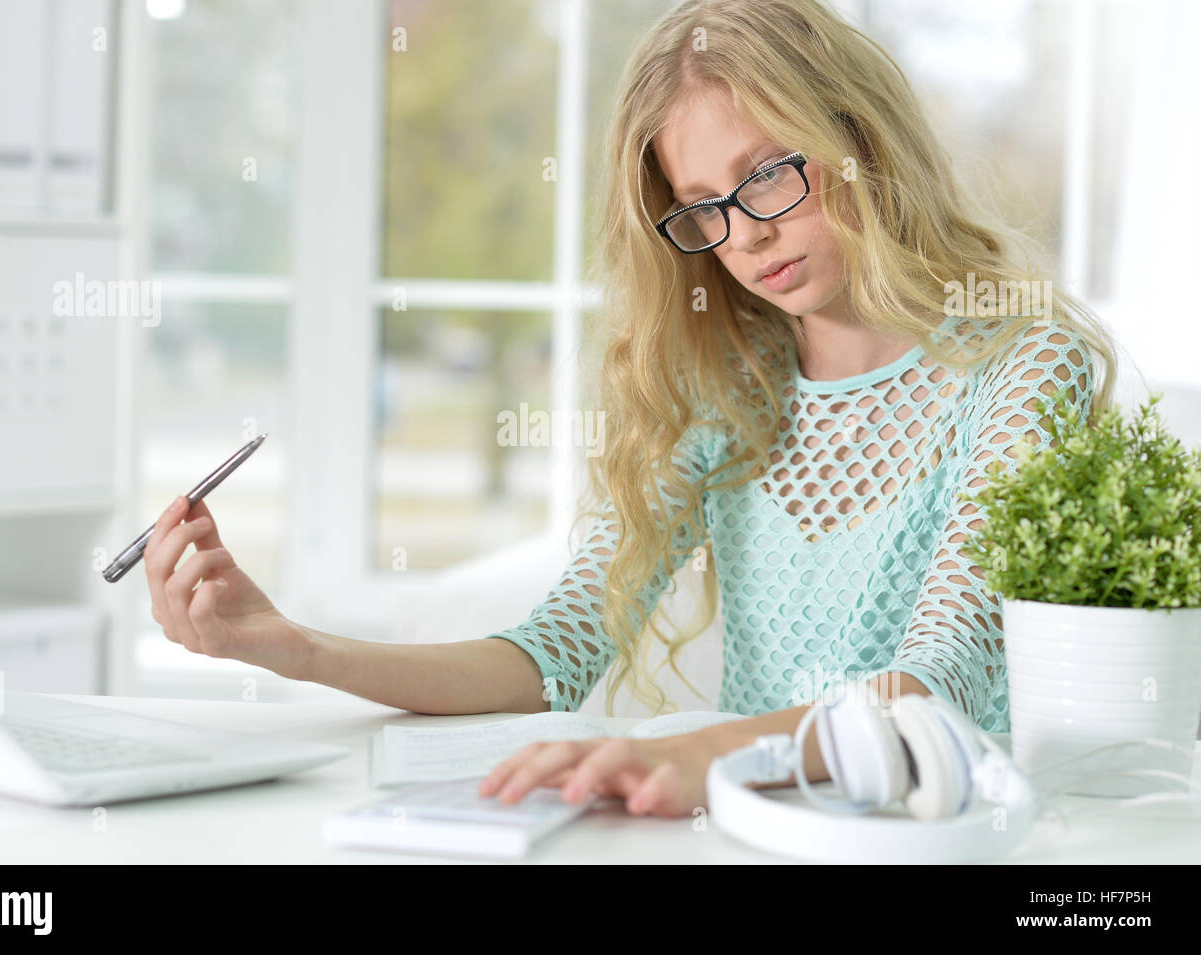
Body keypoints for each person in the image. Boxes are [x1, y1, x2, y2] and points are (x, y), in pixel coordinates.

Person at [142, 0, 1120, 819]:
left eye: (771, 172)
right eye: (703, 206)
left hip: (943, 838)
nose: (745, 236)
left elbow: (934, 678)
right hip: (752, 833)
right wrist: (291, 646)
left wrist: (705, 752)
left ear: (860, 138)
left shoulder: (1026, 360)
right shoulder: (721, 387)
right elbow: (553, 653)